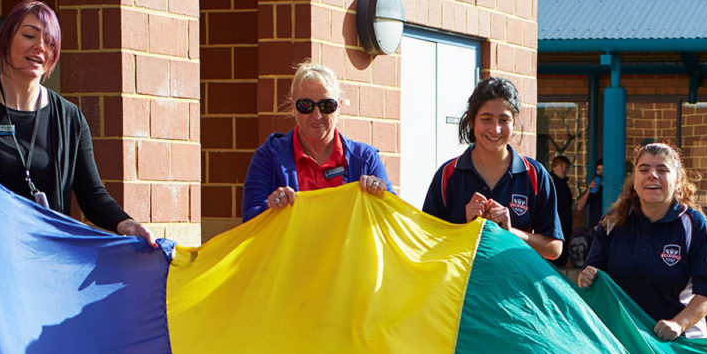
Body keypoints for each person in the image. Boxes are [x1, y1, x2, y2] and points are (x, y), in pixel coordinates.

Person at [0, 0, 155, 245]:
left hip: (45, 253)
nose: (40, 47)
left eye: (50, 42)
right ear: (6, 40)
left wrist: (128, 224)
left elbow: (92, 194)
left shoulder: (70, 117)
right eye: (29, 35)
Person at [577, 143, 707, 340]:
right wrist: (586, 277)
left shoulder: (695, 225)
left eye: (662, 170)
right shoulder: (613, 221)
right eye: (644, 169)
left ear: (678, 181)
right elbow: (589, 277)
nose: (652, 175)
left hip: (678, 344)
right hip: (625, 341)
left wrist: (678, 324)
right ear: (634, 180)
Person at [423, 78, 562, 261]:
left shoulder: (535, 175)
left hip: (515, 279)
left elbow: (554, 249)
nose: (495, 129)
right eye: (486, 119)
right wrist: (466, 229)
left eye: (503, 120)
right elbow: (426, 241)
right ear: (471, 120)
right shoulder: (447, 175)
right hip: (463, 279)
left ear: (514, 122)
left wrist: (509, 232)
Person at [241, 63, 392, 221]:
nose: (317, 115)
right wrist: (271, 208)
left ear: (339, 107)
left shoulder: (365, 159)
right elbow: (250, 222)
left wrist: (379, 195)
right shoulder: (269, 157)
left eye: (327, 105)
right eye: (305, 106)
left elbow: (391, 217)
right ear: (293, 107)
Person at [549, 155, 575, 267]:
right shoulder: (550, 180)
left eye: (566, 167)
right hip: (554, 222)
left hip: (564, 222)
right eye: (561, 166)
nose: (564, 169)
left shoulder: (564, 183)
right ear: (554, 167)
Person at [574, 158, 604, 227]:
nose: (600, 173)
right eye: (598, 170)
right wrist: (588, 190)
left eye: (603, 170)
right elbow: (579, 207)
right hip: (594, 225)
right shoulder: (594, 187)